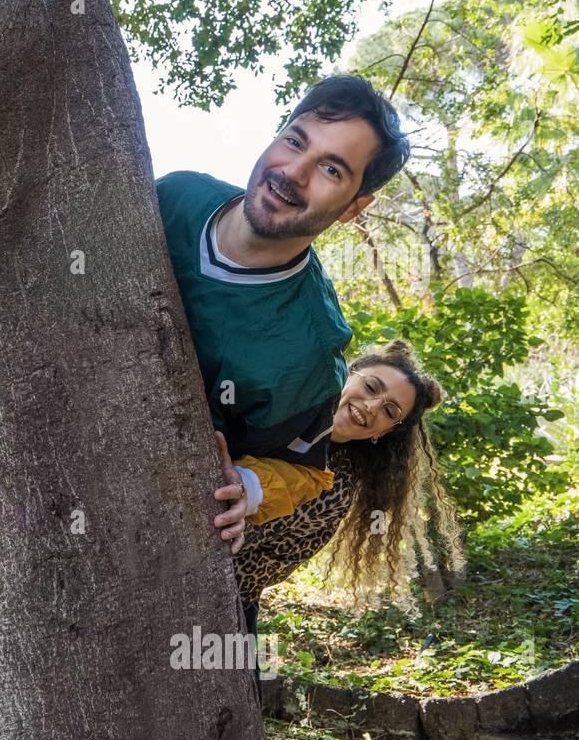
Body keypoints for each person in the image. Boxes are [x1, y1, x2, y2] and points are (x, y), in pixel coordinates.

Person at [156, 75, 413, 549]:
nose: (294, 172)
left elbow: (304, 468)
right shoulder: (174, 196)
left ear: (354, 207)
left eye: (331, 170)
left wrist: (247, 489)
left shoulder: (311, 350)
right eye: (295, 141)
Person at [234, 341, 462, 673]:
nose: (371, 407)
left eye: (389, 412)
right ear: (347, 373)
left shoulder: (334, 483)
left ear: (385, 433)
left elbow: (229, 536)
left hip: (223, 605)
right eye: (371, 387)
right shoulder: (280, 400)